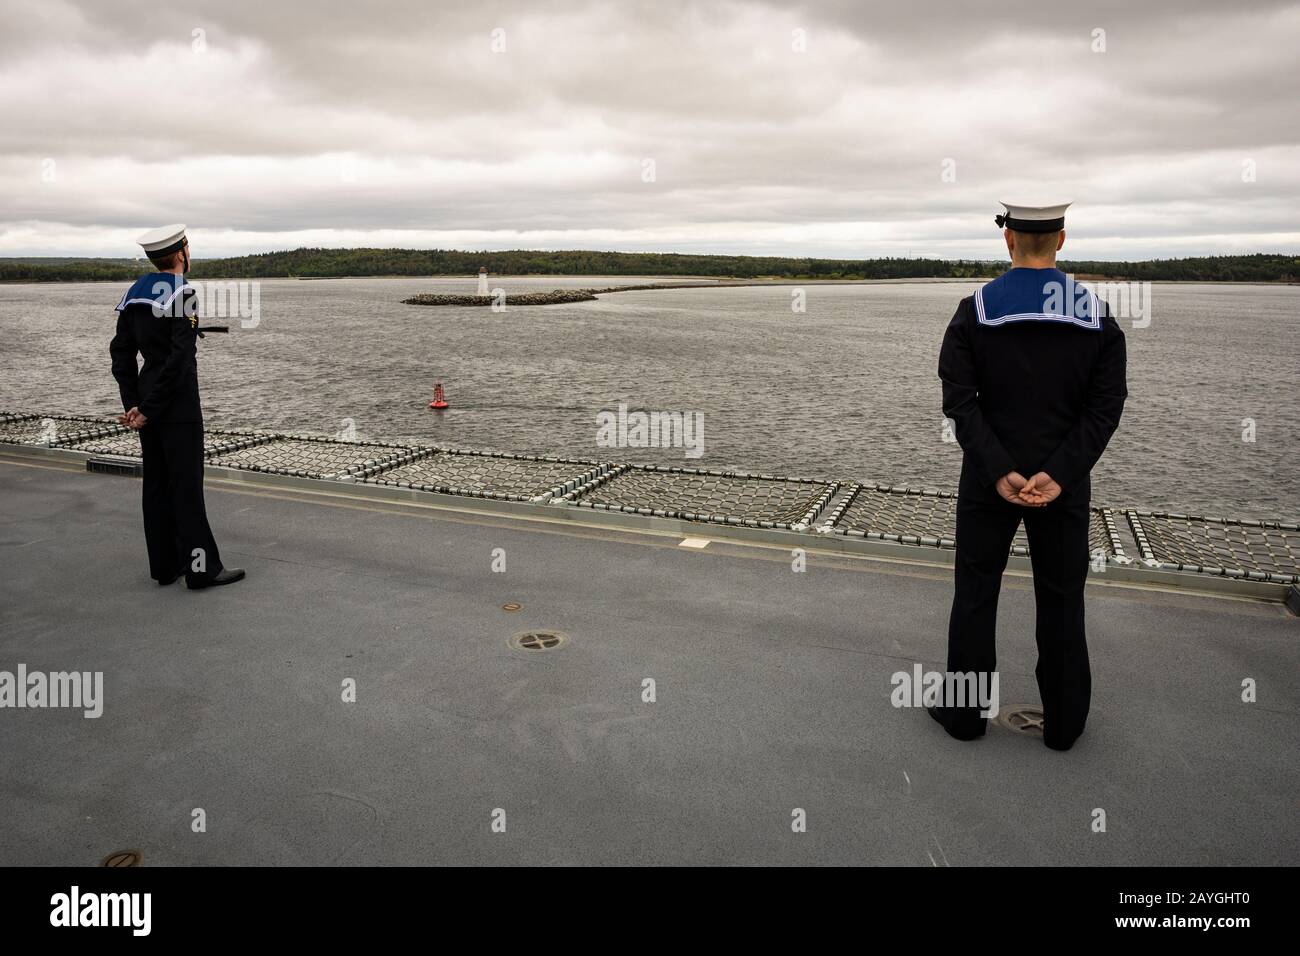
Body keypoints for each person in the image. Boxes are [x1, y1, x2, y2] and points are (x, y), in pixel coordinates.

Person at [931, 201, 1127, 750]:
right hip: (1062, 488)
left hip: (988, 483)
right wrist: (1059, 474)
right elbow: (1104, 409)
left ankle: (966, 717)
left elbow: (960, 401)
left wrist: (999, 471)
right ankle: (1064, 726)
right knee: (1062, 599)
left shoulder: (974, 311)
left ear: (1008, 241)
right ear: (1060, 240)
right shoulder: (1097, 317)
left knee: (975, 595)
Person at [109, 224, 245, 590]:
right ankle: (201, 569)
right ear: (182, 252)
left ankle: (165, 567)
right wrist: (151, 408)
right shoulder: (183, 293)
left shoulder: (134, 294)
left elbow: (121, 353)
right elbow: (180, 359)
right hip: (177, 404)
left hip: (146, 396)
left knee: (155, 484)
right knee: (185, 487)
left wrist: (133, 403)